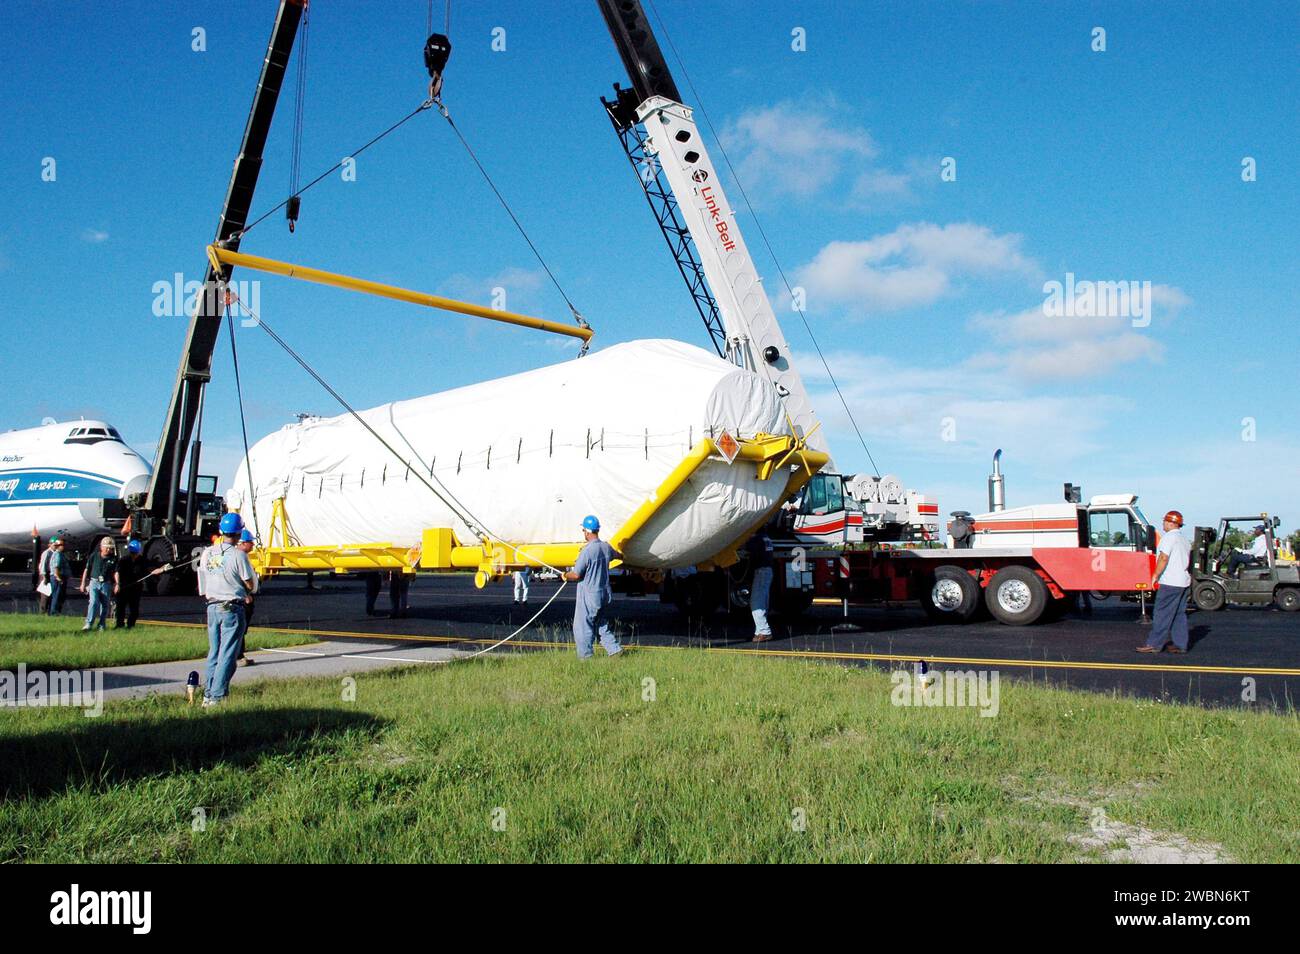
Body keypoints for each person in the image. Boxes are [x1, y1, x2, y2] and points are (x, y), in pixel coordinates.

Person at [196, 513, 256, 707]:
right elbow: (250, 583)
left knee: (214, 652)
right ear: (239, 534)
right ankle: (217, 696)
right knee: (228, 654)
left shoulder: (208, 553)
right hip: (232, 607)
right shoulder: (238, 555)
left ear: (221, 531)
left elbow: (202, 579)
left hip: (212, 606)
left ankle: (207, 693)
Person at [561, 515, 623, 658]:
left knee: (582, 627)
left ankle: (586, 657)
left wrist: (565, 575)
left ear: (587, 532)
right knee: (600, 623)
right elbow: (618, 555)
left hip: (589, 594)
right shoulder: (606, 547)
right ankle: (614, 649)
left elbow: (576, 575)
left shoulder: (587, 551)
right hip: (604, 593)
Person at [1139, 510, 1192, 654]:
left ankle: (1154, 644)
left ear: (1170, 523)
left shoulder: (1168, 538)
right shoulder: (1184, 540)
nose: (1163, 523)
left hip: (1171, 582)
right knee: (1178, 614)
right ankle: (1180, 644)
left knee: (1161, 613)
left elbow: (1163, 557)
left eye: (1164, 521)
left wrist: (1155, 574)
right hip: (1184, 581)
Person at [80, 537, 118, 631]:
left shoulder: (114, 559)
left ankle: (101, 624)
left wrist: (117, 583)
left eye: (110, 548)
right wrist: (83, 583)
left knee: (105, 605)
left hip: (106, 583)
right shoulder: (94, 556)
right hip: (94, 582)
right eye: (107, 547)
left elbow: (116, 572)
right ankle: (88, 623)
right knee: (93, 602)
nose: (108, 550)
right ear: (101, 547)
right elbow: (87, 569)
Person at [235, 528, 259, 666]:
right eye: (251, 542)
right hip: (244, 598)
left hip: (246, 597)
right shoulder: (239, 557)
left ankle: (240, 654)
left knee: (242, 628)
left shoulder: (243, 557)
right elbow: (240, 578)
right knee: (239, 628)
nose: (253, 545)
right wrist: (246, 594)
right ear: (243, 543)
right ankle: (238, 656)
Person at [747, 529, 775, 643]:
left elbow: (749, 549)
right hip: (767, 569)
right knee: (763, 601)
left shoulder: (756, 539)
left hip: (761, 571)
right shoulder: (766, 537)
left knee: (756, 602)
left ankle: (764, 631)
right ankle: (759, 631)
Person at [114, 539, 145, 629]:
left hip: (136, 588)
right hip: (124, 587)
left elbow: (147, 570)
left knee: (134, 609)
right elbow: (117, 572)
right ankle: (119, 625)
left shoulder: (142, 560)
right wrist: (117, 584)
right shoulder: (123, 560)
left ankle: (131, 625)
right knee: (121, 608)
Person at [45, 537, 69, 615]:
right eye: (61, 545)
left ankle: (54, 611)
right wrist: (58, 577)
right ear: (58, 546)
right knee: (57, 595)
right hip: (57, 578)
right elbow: (56, 567)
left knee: (57, 595)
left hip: (57, 577)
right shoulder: (58, 554)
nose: (63, 546)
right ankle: (54, 612)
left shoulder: (59, 554)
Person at [36, 537, 57, 613]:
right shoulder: (46, 553)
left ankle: (50, 611)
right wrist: (44, 577)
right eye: (54, 545)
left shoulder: (56, 553)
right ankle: (42, 612)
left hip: (52, 575)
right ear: (50, 544)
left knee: (52, 595)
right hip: (46, 575)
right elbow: (42, 566)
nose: (55, 546)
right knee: (45, 595)